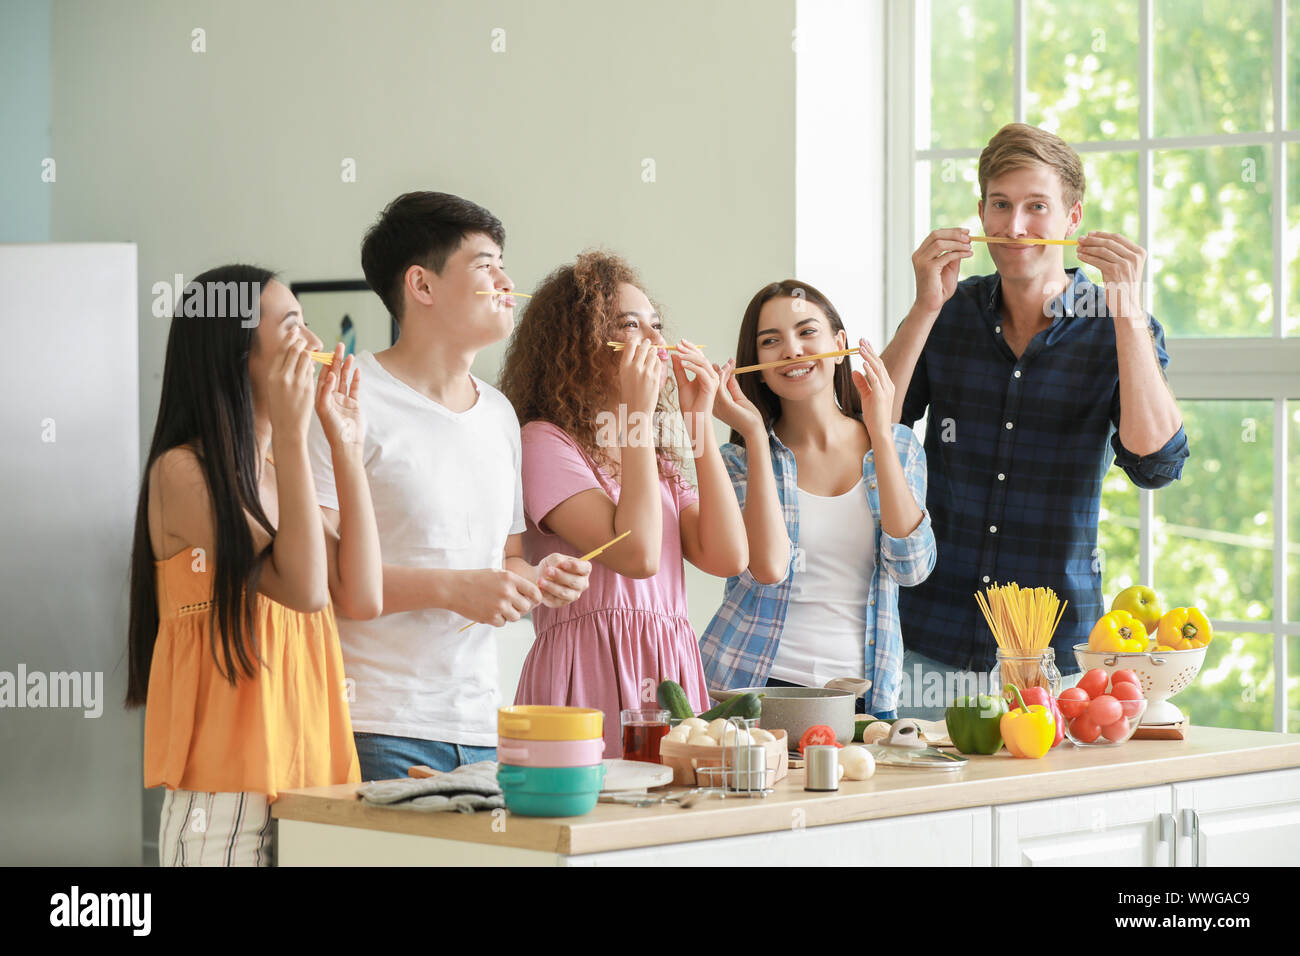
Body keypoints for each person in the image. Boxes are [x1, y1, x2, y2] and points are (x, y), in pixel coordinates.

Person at [882, 123, 1190, 719]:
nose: (1015, 227)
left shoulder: (1118, 328)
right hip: (927, 639)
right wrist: (924, 307)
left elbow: (1155, 463)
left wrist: (1127, 312)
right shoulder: (947, 313)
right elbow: (869, 428)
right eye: (1001, 205)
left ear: (1072, 218)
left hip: (1052, 654)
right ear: (980, 213)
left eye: (1036, 207)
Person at [307, 191, 592, 779]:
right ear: (422, 285)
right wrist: (453, 588)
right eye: (486, 264)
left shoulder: (499, 414)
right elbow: (323, 578)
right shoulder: (344, 397)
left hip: (482, 727)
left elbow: (507, 559)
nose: (508, 280)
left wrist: (534, 581)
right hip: (375, 725)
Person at [127, 264, 382, 866]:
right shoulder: (182, 473)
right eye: (293, 326)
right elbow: (303, 589)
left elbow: (362, 593)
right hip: (223, 789)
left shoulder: (277, 478)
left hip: (312, 775)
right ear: (239, 355)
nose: (316, 344)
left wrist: (344, 446)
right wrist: (294, 437)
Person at [498, 251, 747, 756]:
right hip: (586, 670)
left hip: (668, 667)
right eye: (630, 326)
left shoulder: (651, 456)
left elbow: (729, 557)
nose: (657, 341)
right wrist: (638, 412)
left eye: (656, 325)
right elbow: (637, 555)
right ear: (581, 343)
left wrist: (700, 424)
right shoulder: (544, 442)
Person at [697, 280, 936, 718]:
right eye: (771, 341)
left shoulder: (899, 447)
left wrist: (879, 431)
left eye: (807, 332)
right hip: (746, 686)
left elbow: (913, 567)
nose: (792, 350)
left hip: (862, 697)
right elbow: (766, 571)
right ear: (756, 366)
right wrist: (753, 436)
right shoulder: (739, 462)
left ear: (839, 344)